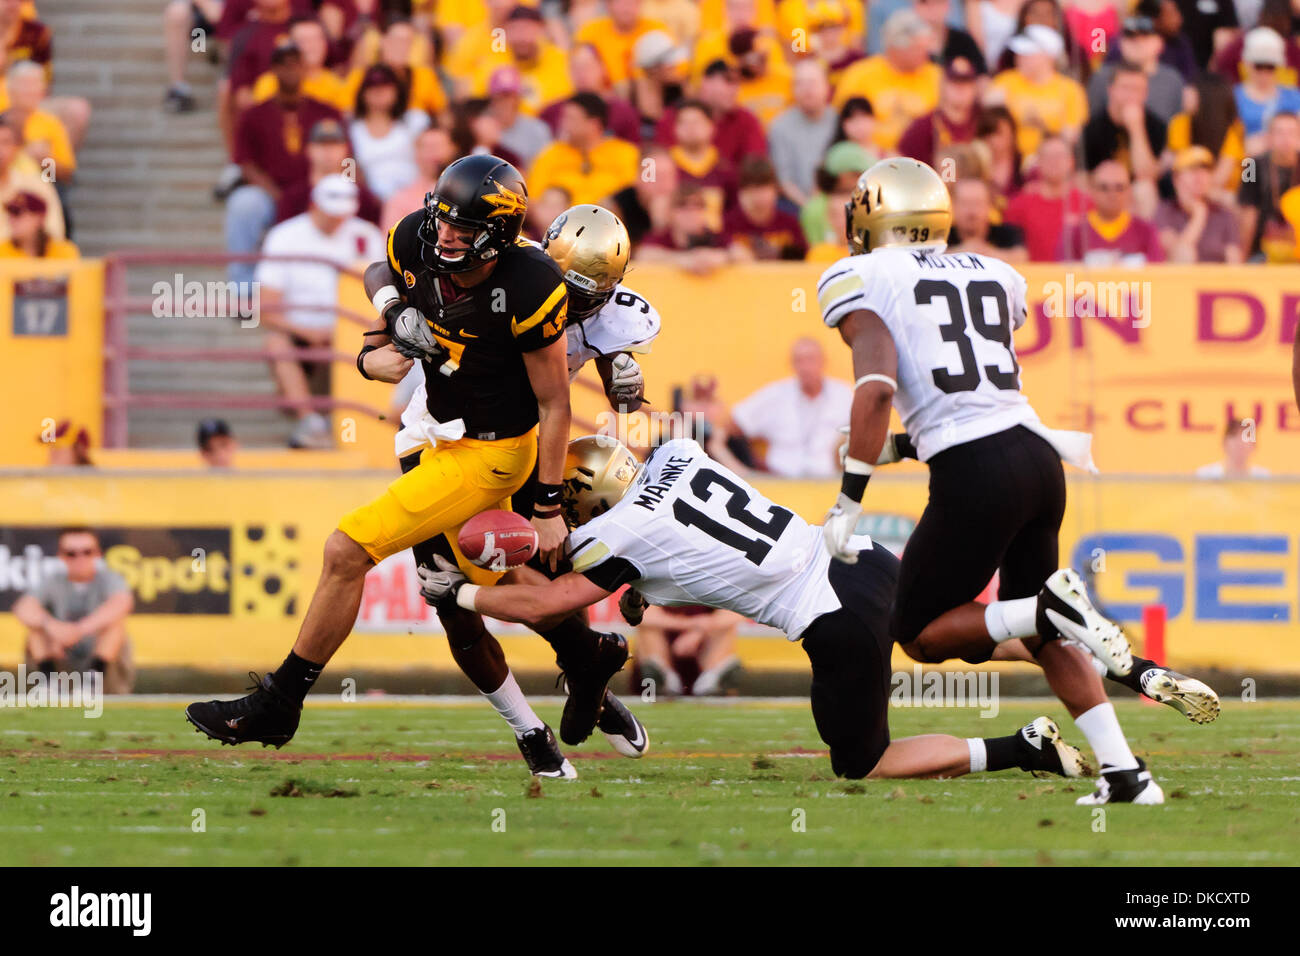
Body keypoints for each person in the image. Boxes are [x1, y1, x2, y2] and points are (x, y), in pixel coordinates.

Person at [186, 156, 626, 766]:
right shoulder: (422, 235)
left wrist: (549, 504)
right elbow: (381, 278)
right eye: (441, 221)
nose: (443, 234)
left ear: (497, 235)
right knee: (484, 581)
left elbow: (555, 404)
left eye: (462, 229)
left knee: (348, 550)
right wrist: (382, 337)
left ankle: (280, 701)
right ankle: (585, 654)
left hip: (492, 451)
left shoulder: (530, 285)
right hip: (429, 433)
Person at [817, 157, 1220, 804]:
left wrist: (848, 500)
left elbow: (878, 387)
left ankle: (1048, 606)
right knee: (1041, 634)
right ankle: (1126, 774)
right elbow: (970, 394)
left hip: (977, 471)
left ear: (870, 218)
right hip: (1038, 459)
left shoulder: (860, 274)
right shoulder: (994, 271)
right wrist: (903, 444)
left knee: (917, 632)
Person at [418, 434, 1096, 784]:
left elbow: (550, 604)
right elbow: (692, 543)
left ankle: (1023, 749)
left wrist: (461, 592)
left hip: (831, 617)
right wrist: (646, 587)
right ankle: (1047, 624)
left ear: (586, 501)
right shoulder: (679, 453)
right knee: (935, 636)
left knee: (863, 763)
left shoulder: (612, 534)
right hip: (863, 559)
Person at [384, 202, 656, 778]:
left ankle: (593, 678)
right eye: (565, 289)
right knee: (449, 601)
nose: (574, 306)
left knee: (557, 569)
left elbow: (609, 383)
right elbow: (386, 269)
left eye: (590, 296)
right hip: (445, 436)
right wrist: (388, 315)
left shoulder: (607, 316)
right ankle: (530, 728)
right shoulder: (503, 274)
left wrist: (625, 380)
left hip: (529, 443)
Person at [255, 174, 386, 449]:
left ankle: (353, 429)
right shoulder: (285, 236)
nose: (340, 220)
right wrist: (311, 332)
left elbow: (384, 295)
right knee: (276, 342)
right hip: (305, 333)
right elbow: (266, 308)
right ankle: (312, 423)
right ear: (315, 205)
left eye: (344, 214)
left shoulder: (365, 234)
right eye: (333, 214)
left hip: (354, 332)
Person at [13, 528, 135, 694]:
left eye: (87, 552)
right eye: (71, 553)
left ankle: (92, 680)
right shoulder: (53, 580)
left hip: (102, 664)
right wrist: (52, 627)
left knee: (115, 627)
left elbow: (122, 603)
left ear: (97, 554)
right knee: (36, 629)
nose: (80, 558)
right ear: (61, 556)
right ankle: (48, 682)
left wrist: (79, 630)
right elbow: (23, 607)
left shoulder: (109, 579)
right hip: (62, 659)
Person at [714, 337, 850, 478]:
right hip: (780, 484)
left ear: (823, 361)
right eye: (799, 361)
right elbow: (730, 425)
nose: (805, 367)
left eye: (810, 359)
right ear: (792, 364)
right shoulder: (775, 395)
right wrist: (740, 467)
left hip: (828, 483)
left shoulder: (844, 395)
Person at [833, 9, 940, 154]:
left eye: (925, 48)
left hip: (922, 161)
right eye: (917, 49)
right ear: (895, 47)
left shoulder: (936, 76)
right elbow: (841, 124)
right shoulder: (860, 75)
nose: (925, 55)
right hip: (869, 160)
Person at [526, 92, 640, 206]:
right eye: (564, 118)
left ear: (594, 124)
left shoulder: (624, 153)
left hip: (608, 219)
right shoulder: (551, 154)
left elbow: (632, 197)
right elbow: (534, 199)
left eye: (571, 119)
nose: (564, 125)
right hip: (562, 220)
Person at [1058, 159, 1164, 265]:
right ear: (1092, 191)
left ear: (1129, 191)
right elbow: (1060, 275)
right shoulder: (1075, 233)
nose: (1112, 194)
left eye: (1119, 188)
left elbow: (1157, 274)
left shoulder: (1146, 232)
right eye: (1104, 188)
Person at [1003, 135, 1090, 262]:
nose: (1054, 162)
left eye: (1060, 156)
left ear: (1071, 161)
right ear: (1038, 162)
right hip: (1033, 279)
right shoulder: (1018, 205)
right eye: (1048, 156)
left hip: (1074, 279)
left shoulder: (1087, 203)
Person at [767, 58, 837, 208]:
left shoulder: (839, 123)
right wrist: (810, 208)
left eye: (812, 82)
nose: (806, 89)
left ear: (826, 87)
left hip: (835, 203)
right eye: (800, 83)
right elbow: (784, 180)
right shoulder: (779, 127)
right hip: (794, 205)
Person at [1155, 146, 1244, 263]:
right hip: (1181, 279)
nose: (1199, 175)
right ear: (1176, 178)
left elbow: (1235, 261)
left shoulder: (1224, 214)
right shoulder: (1165, 211)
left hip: (1216, 279)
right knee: (1185, 253)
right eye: (1192, 170)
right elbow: (1176, 256)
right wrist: (1199, 215)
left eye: (1205, 170)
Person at [897, 56, 982, 170]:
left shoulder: (985, 122)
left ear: (975, 87)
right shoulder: (924, 126)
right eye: (954, 82)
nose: (960, 88)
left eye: (966, 82)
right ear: (943, 85)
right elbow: (904, 166)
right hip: (936, 185)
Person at [1238, 111, 1300, 261]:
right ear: (1269, 137)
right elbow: (1248, 213)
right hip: (1263, 248)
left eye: (1291, 132)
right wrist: (1243, 257)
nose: (1286, 139)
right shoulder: (1250, 164)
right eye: (1279, 132)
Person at [723, 155, 808, 261]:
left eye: (764, 189)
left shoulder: (790, 223)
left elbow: (804, 256)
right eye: (753, 190)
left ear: (775, 190)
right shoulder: (729, 223)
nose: (759, 197)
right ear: (742, 192)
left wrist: (781, 253)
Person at [946, 177, 1028, 261]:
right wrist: (963, 252)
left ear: (989, 206)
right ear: (953, 207)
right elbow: (933, 257)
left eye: (977, 204)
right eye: (964, 204)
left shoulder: (1008, 233)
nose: (971, 212)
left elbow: (1022, 257)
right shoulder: (943, 236)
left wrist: (985, 253)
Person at [0, 189, 76, 258]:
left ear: (39, 217)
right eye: (10, 213)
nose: (11, 219)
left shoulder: (63, 251)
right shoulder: (2, 251)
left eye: (17, 213)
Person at [1195, 419, 1270, 478]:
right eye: (1234, 436)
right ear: (1224, 443)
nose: (1240, 442)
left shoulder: (1263, 478)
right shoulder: (1205, 476)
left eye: (1246, 437)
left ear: (1254, 445)